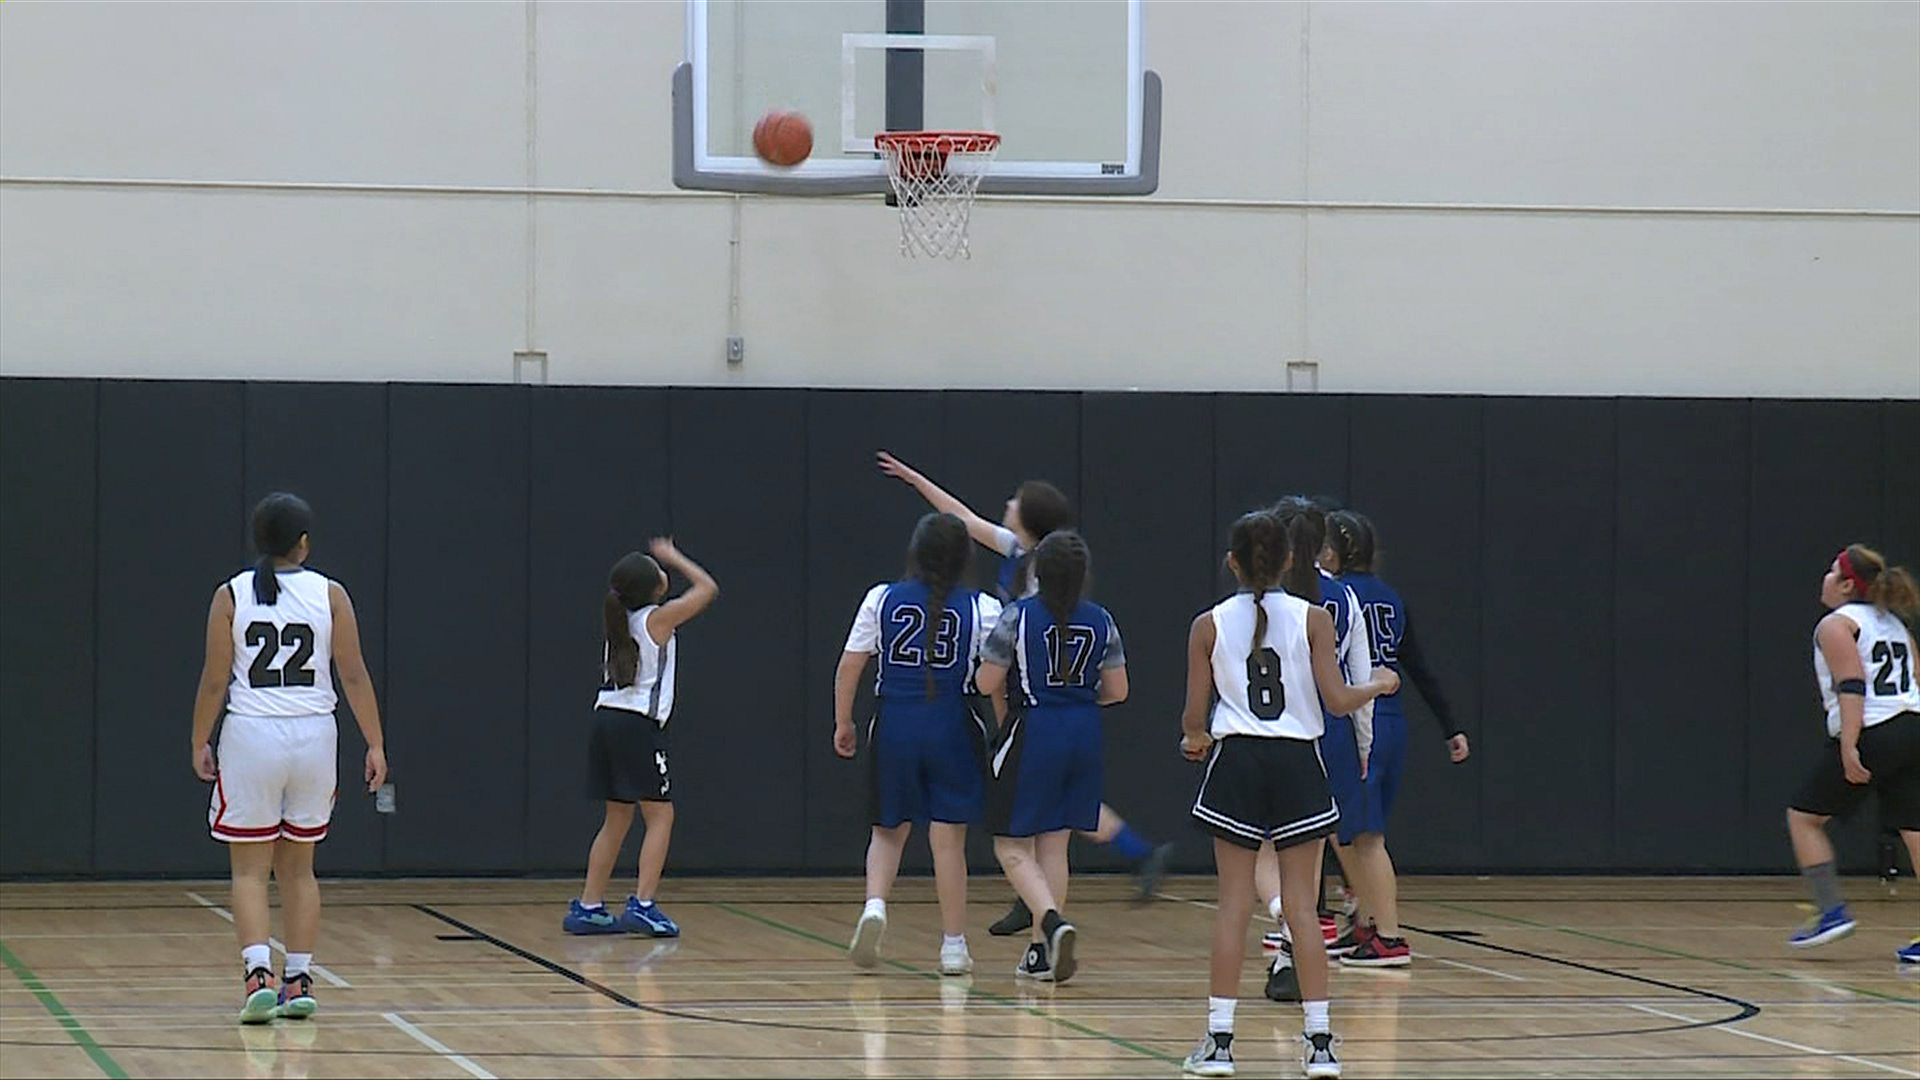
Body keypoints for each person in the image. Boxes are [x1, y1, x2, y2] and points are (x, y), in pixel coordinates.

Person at [877, 451, 1173, 935]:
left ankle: (1120, 862)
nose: (1007, 503)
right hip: (1037, 694)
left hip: (1032, 691)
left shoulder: (1040, 580)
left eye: (1016, 500)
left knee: (1035, 819)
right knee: (1047, 822)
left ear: (1031, 517)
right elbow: (962, 518)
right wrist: (916, 481)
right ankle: (1042, 907)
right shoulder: (1019, 549)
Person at [1180, 510, 1400, 1078]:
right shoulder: (1315, 619)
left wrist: (1195, 739)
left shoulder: (1207, 625)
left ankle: (1220, 1042)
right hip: (1299, 761)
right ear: (1288, 561)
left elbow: (1192, 720)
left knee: (1234, 907)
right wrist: (1376, 683)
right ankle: (1320, 1044)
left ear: (1231, 562)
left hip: (1237, 763)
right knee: (1303, 909)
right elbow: (1335, 701)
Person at [190, 493, 387, 1024]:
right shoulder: (331, 594)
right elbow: (353, 675)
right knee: (300, 870)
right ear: (304, 543)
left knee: (250, 871)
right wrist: (374, 742)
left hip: (252, 737)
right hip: (314, 738)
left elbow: (214, 679)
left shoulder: (229, 595)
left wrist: (198, 740)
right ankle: (299, 979)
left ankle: (259, 973)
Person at [834, 512, 1002, 975]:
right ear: (964, 557)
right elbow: (996, 679)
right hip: (953, 722)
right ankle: (952, 945)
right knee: (948, 840)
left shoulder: (880, 598)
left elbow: (850, 666)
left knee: (887, 831)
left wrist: (842, 721)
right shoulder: (984, 608)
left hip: (895, 721)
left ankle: (874, 907)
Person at [974, 531, 1129, 984]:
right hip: (1083, 730)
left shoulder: (1017, 617)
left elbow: (987, 682)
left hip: (1034, 728)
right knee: (1055, 842)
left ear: (1038, 571)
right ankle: (1042, 952)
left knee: (1010, 845)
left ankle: (1051, 922)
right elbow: (1118, 691)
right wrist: (1076, 699)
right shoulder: (1102, 619)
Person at [1319, 509, 1472, 969]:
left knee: (1365, 837)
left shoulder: (1334, 597)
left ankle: (1389, 936)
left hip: (1359, 714)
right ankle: (1367, 922)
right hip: (1391, 718)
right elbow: (1419, 666)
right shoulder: (1390, 598)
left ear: (1330, 553)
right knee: (1343, 829)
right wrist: (1451, 726)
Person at [564, 538, 718, 937]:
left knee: (617, 818)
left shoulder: (619, 624)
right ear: (656, 585)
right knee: (661, 815)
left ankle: (589, 905)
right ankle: (644, 905)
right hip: (635, 726)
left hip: (606, 721)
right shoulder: (658, 619)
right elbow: (708, 589)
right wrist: (675, 557)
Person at [1257, 497, 1371, 1002]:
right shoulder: (1343, 599)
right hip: (1332, 730)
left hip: (1272, 729)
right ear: (1323, 545)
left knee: (1265, 849)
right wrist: (1364, 746)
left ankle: (1287, 933)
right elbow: (1359, 678)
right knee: (1309, 850)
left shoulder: (1258, 600)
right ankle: (1295, 947)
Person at [1783, 544, 1920, 964]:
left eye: (1831, 572)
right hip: (1913, 725)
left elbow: (1852, 685)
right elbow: (1916, 679)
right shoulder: (1895, 624)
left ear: (1846, 585)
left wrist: (1848, 745)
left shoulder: (1836, 624)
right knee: (1915, 830)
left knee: (1804, 818)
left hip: (1873, 729)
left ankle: (1830, 912)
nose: (1824, 578)